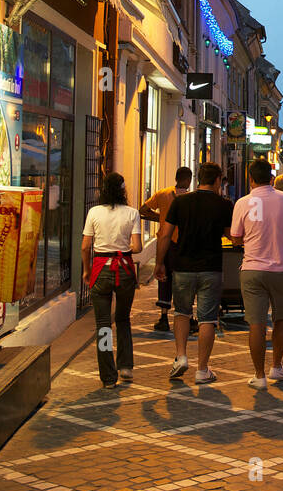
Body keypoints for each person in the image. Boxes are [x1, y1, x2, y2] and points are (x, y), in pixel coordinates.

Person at [155, 162, 233, 383]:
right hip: (211, 267)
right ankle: (202, 369)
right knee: (208, 318)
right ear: (217, 180)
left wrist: (160, 263)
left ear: (198, 178)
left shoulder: (181, 202)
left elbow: (165, 234)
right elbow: (232, 235)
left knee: (181, 312)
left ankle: (181, 357)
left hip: (183, 266)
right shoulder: (224, 205)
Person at [230, 159, 283, 389]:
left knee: (256, 323)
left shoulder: (242, 203)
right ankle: (277, 367)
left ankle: (259, 375)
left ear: (250, 179)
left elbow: (236, 237)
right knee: (282, 320)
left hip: (252, 268)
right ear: (271, 177)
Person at [81, 173, 143, 388]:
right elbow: (138, 248)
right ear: (123, 190)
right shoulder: (132, 213)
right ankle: (125, 366)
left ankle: (108, 377)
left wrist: (87, 271)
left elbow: (85, 246)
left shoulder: (94, 212)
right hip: (124, 269)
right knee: (123, 319)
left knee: (103, 325)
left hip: (100, 270)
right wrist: (124, 247)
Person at [139, 166, 194, 333]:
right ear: (188, 180)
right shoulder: (191, 198)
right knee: (185, 280)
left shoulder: (163, 194)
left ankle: (163, 317)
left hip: (165, 242)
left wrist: (160, 218)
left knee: (164, 277)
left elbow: (143, 210)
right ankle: (189, 318)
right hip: (184, 243)